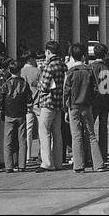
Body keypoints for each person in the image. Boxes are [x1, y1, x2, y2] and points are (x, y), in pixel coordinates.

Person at [62, 43, 105, 173]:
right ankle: (98, 164)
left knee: (76, 135)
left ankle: (79, 165)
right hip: (86, 106)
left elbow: (66, 92)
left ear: (71, 56)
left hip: (73, 106)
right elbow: (96, 89)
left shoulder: (70, 72)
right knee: (91, 134)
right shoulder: (89, 70)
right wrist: (91, 100)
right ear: (83, 56)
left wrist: (65, 109)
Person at [34, 40, 66, 171]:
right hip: (59, 103)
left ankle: (47, 162)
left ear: (48, 52)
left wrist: (38, 83)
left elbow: (44, 86)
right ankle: (58, 162)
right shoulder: (63, 65)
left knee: (44, 131)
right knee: (57, 132)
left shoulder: (49, 66)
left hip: (48, 103)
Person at [0, 60, 31, 172]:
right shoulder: (24, 83)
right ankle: (22, 165)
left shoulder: (6, 84)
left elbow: (0, 100)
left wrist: (0, 108)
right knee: (22, 140)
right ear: (20, 70)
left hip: (8, 114)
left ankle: (9, 166)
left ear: (9, 71)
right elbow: (29, 99)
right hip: (21, 114)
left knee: (8, 140)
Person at [89, 44, 109, 162]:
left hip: (93, 101)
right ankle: (103, 154)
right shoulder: (107, 68)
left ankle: (90, 154)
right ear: (105, 54)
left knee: (89, 129)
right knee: (103, 128)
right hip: (105, 101)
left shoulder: (91, 67)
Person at [20, 51, 41, 166]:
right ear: (31, 59)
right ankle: (40, 153)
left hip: (26, 104)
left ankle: (27, 155)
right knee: (40, 130)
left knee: (27, 130)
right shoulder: (37, 71)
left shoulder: (21, 71)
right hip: (37, 102)